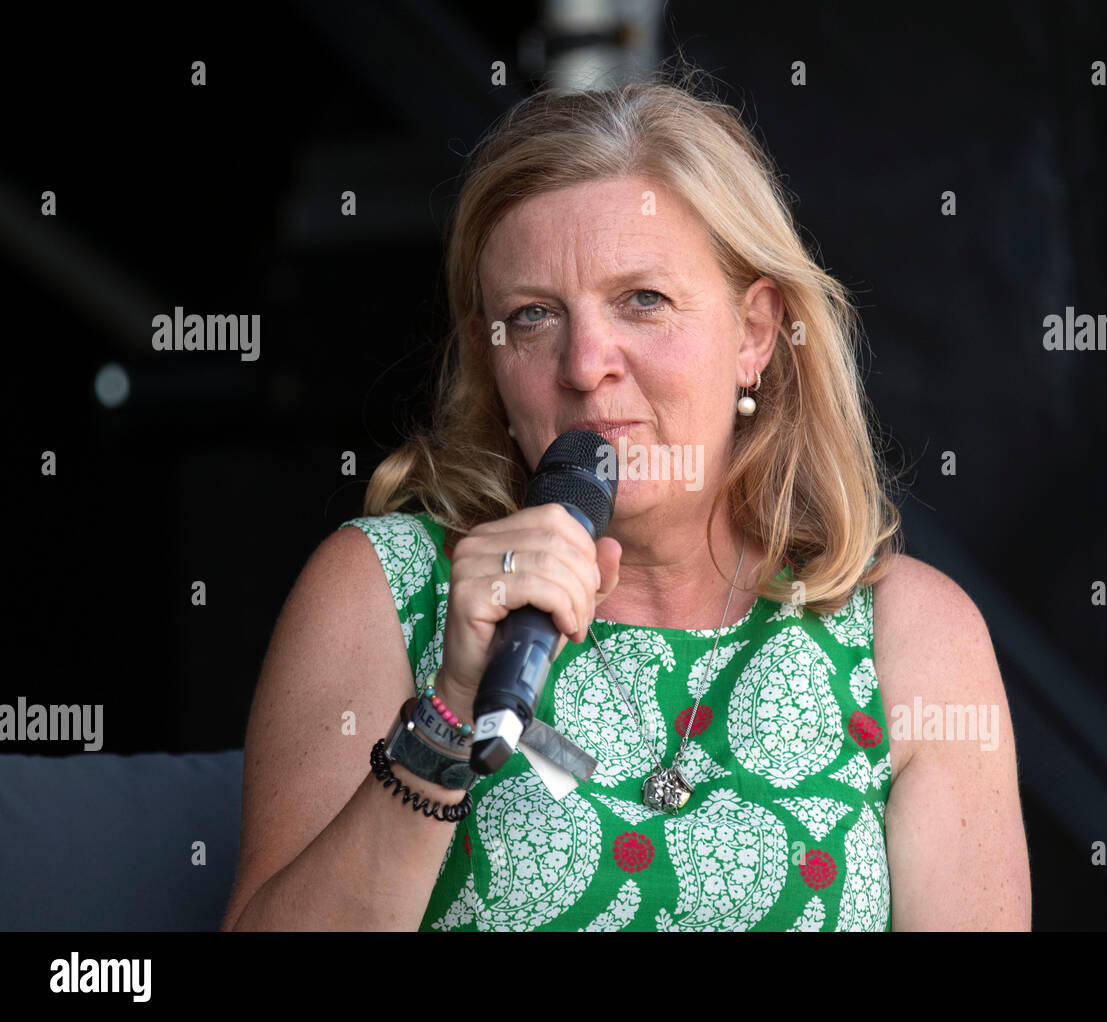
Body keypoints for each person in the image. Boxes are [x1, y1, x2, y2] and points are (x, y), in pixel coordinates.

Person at [220, 71, 1031, 932]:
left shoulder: (912, 636)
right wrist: (450, 714)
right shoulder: (385, 591)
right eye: (534, 316)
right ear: (491, 358)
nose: (584, 364)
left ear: (755, 333)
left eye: (643, 301)